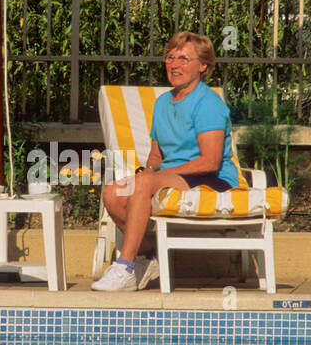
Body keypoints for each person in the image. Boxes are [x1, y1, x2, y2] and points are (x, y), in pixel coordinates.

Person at [92, 31, 239, 292]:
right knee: (113, 193)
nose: (174, 64)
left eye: (183, 58)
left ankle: (124, 265)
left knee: (145, 183)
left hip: (212, 179)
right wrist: (146, 174)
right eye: (170, 57)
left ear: (202, 66)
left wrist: (152, 179)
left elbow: (210, 160)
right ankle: (148, 257)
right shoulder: (162, 103)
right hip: (176, 177)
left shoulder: (208, 103)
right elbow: (157, 155)